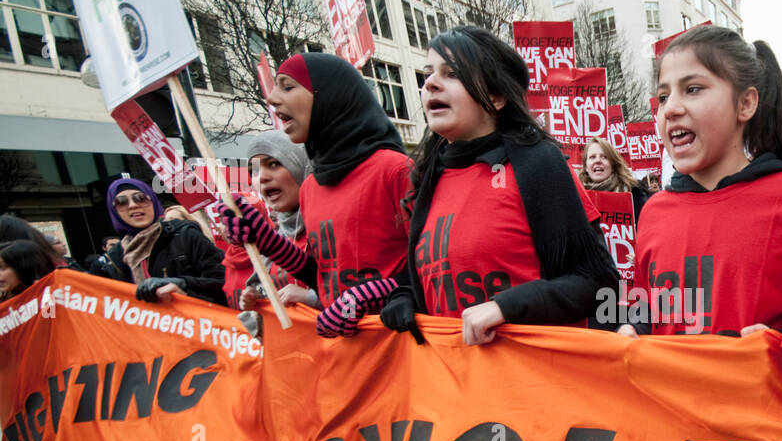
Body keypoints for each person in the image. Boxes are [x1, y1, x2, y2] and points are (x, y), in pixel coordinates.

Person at [377, 26, 617, 346]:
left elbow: (600, 285)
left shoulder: (538, 164)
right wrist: (406, 296)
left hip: (531, 374)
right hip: (452, 374)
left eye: (452, 73)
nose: (430, 83)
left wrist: (506, 307)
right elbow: (444, 275)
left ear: (496, 97)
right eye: (427, 73)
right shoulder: (427, 177)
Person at [618, 25, 782, 337]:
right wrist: (634, 328)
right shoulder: (652, 212)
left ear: (745, 104)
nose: (670, 109)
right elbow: (647, 306)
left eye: (693, 89)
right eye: (663, 96)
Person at [221, 54, 411, 337]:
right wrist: (267, 241)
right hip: (345, 352)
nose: (272, 98)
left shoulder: (394, 170)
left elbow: (434, 269)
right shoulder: (310, 187)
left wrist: (378, 293)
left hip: (401, 348)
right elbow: (323, 278)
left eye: (287, 86)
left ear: (329, 95)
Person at [0, 240, 72, 441]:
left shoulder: (54, 295)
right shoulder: (6, 304)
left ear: (24, 266)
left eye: (3, 268)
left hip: (54, 398)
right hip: (16, 406)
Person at [88, 178, 227, 305]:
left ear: (153, 201)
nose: (133, 205)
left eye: (140, 198)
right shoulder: (112, 260)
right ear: (114, 211)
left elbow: (224, 283)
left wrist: (183, 285)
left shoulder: (185, 235)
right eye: (121, 202)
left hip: (194, 321)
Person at [236, 130, 317, 312]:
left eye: (273, 164)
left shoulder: (337, 226)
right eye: (254, 170)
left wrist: (311, 298)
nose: (261, 177)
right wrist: (255, 300)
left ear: (301, 165)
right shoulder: (274, 239)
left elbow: (365, 297)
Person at [580, 137, 650, 217]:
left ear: (613, 165)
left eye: (604, 157)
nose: (598, 160)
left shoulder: (633, 192)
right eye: (592, 157)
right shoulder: (577, 197)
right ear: (586, 167)